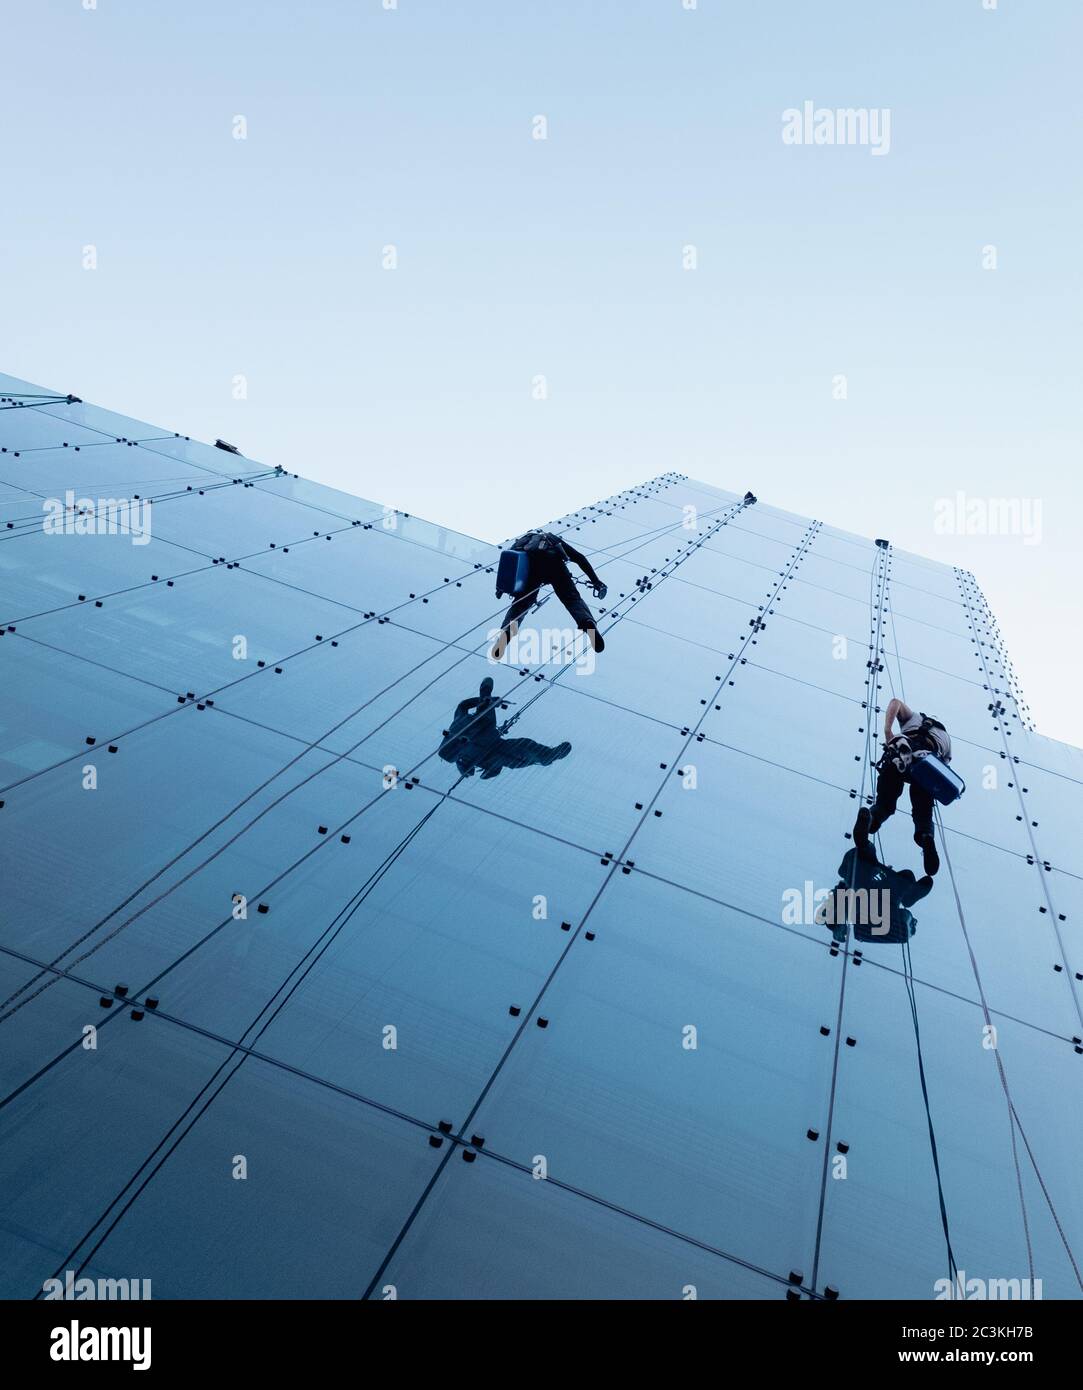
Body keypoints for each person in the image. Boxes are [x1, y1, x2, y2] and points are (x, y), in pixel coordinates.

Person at [853, 698, 951, 876]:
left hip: (906, 747)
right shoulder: (947, 740)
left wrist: (888, 730)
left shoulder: (915, 718)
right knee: (923, 809)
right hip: (928, 763)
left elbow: (895, 702)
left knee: (885, 802)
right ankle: (926, 837)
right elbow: (944, 770)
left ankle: (871, 820)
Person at [491, 530, 607, 660]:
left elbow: (508, 567)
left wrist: (500, 589)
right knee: (572, 600)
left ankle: (506, 633)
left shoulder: (521, 543)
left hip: (532, 569)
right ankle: (588, 624)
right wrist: (595, 581)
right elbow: (579, 558)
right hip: (555, 565)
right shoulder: (550, 538)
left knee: (520, 606)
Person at [438, 677, 571, 779]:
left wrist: (484, 697)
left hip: (491, 749)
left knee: (522, 746)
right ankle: (546, 756)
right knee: (516, 753)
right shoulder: (467, 720)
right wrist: (463, 764)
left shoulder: (482, 718)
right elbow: (463, 706)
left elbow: (465, 705)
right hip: (488, 754)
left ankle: (548, 755)